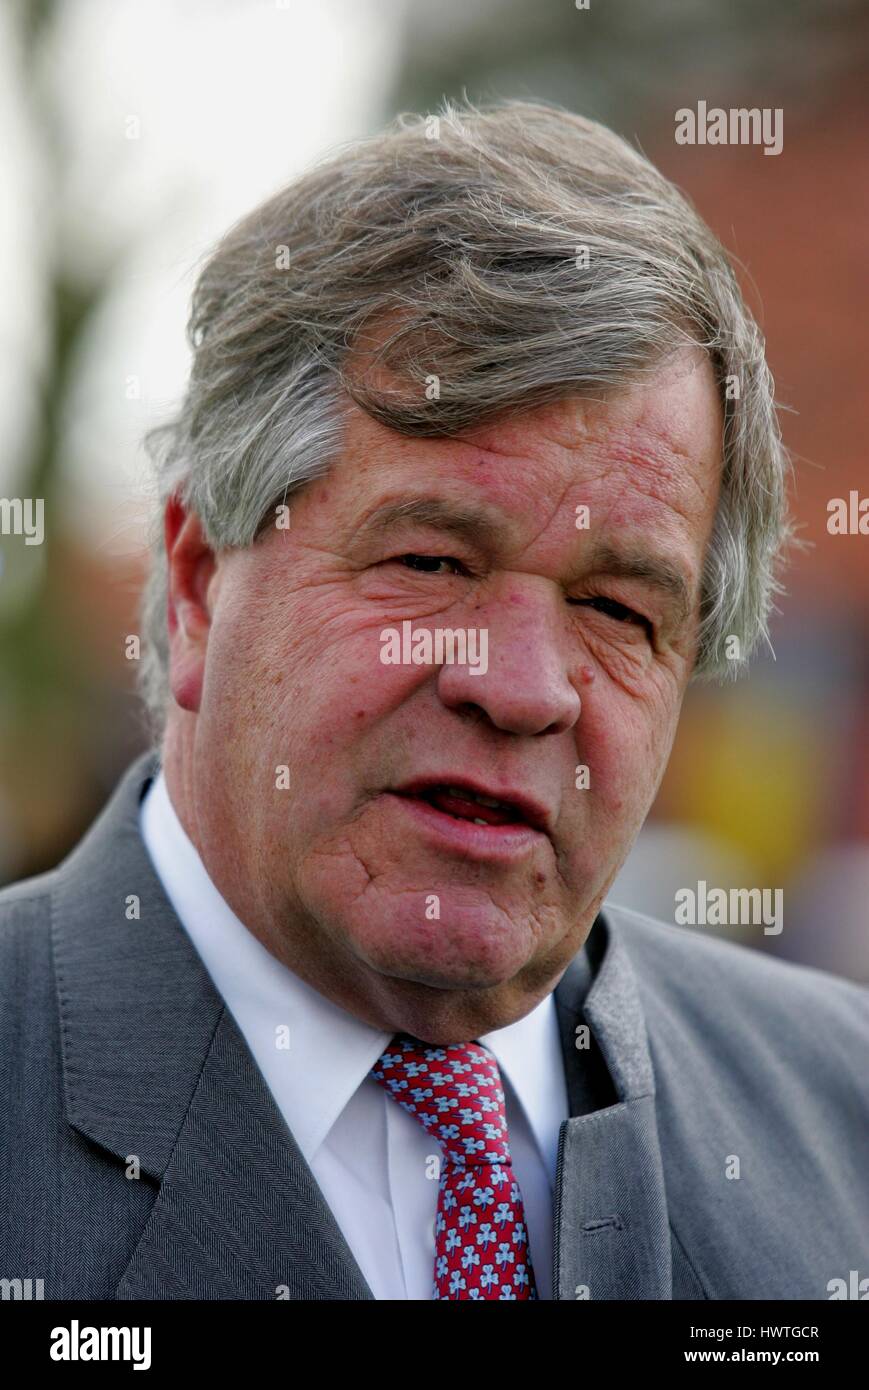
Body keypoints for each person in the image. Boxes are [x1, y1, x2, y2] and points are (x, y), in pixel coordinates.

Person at [1, 100, 866, 1302]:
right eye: (430, 563)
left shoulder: (840, 1118)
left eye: (618, 610)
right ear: (200, 581)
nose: (519, 689)